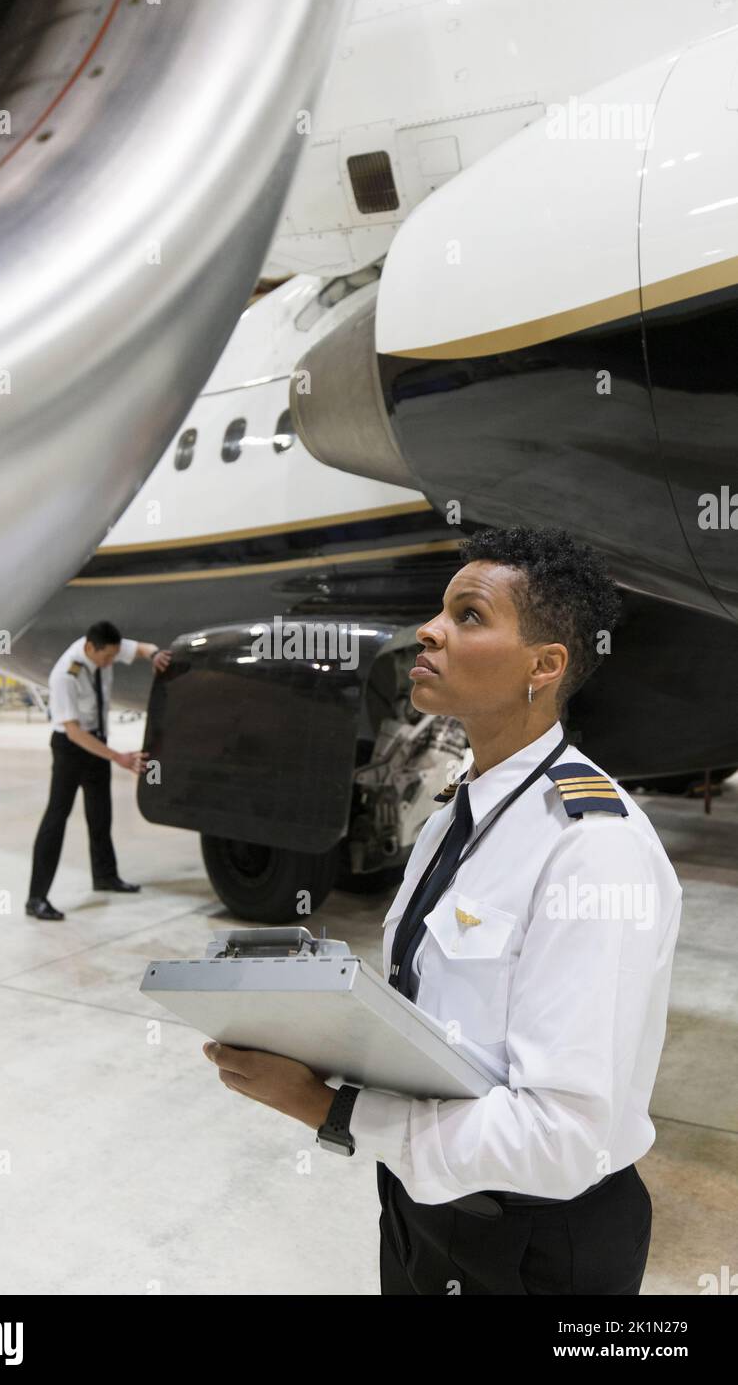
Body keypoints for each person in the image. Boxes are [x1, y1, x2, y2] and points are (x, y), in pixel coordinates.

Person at [202, 526, 682, 1295]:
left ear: (545, 666)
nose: (429, 629)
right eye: (441, 610)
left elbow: (563, 1136)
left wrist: (332, 1110)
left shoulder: (592, 850)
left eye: (469, 616)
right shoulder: (458, 812)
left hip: (533, 1244)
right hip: (429, 1199)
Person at [26, 621, 171, 921]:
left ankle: (105, 875)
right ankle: (36, 898)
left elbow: (141, 648)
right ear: (91, 648)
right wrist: (118, 757)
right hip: (70, 748)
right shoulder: (65, 674)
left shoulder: (108, 647)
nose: (110, 663)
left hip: (98, 743)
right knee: (57, 817)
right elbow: (74, 732)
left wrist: (155, 654)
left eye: (112, 658)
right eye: (106, 658)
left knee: (101, 814)